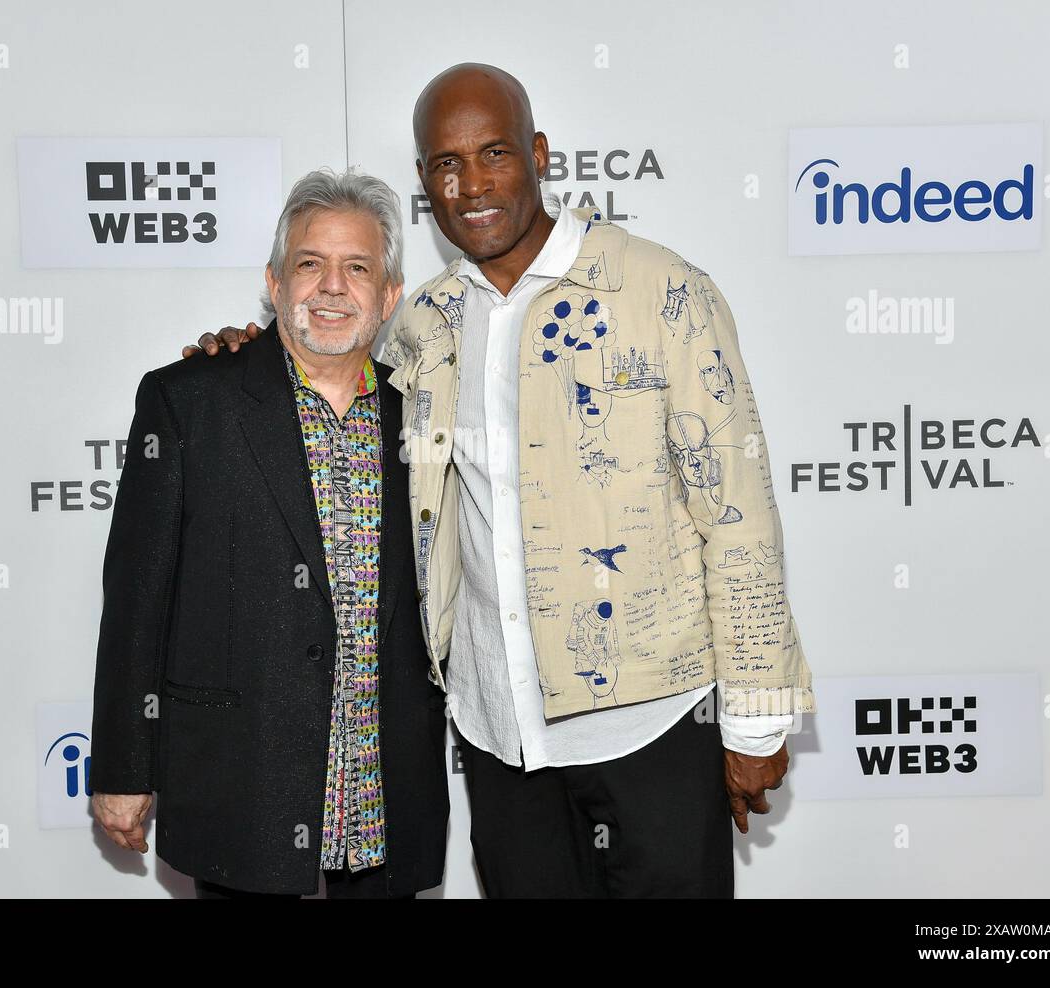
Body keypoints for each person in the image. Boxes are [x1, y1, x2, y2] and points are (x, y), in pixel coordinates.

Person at [186, 63, 816, 898]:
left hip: (655, 726)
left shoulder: (663, 293)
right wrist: (243, 352)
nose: (471, 184)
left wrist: (757, 717)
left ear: (540, 154)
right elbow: (318, 358)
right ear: (423, 182)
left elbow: (738, 515)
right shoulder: (422, 321)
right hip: (497, 739)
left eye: (493, 154)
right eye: (445, 164)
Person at [90, 168, 449, 899]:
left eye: (358, 268)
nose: (331, 288)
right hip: (243, 783)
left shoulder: (422, 416)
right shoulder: (189, 402)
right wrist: (124, 770)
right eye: (309, 264)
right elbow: (136, 602)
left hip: (386, 787)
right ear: (274, 281)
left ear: (388, 296)